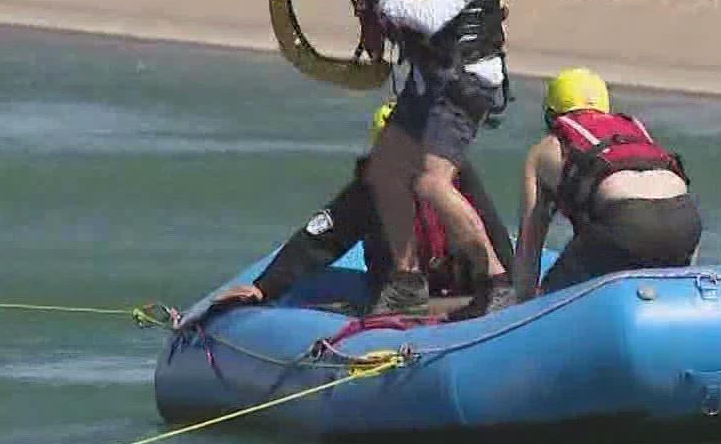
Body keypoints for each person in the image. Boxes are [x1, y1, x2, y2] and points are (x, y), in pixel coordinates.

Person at [331, 0, 515, 320]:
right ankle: (407, 280)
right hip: (425, 77)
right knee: (385, 173)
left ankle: (496, 280)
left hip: (465, 81)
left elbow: (430, 16)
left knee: (433, 184)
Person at [208, 101, 517, 319]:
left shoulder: (451, 178)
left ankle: (486, 297)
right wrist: (263, 288)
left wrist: (512, 286)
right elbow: (319, 239)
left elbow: (490, 229)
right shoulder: (371, 188)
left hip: (457, 290)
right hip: (411, 296)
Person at [514, 68, 704, 299]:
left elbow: (529, 243)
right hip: (686, 222)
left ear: (552, 114)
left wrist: (522, 305)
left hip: (626, 224)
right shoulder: (635, 133)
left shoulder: (546, 148)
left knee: (552, 295)